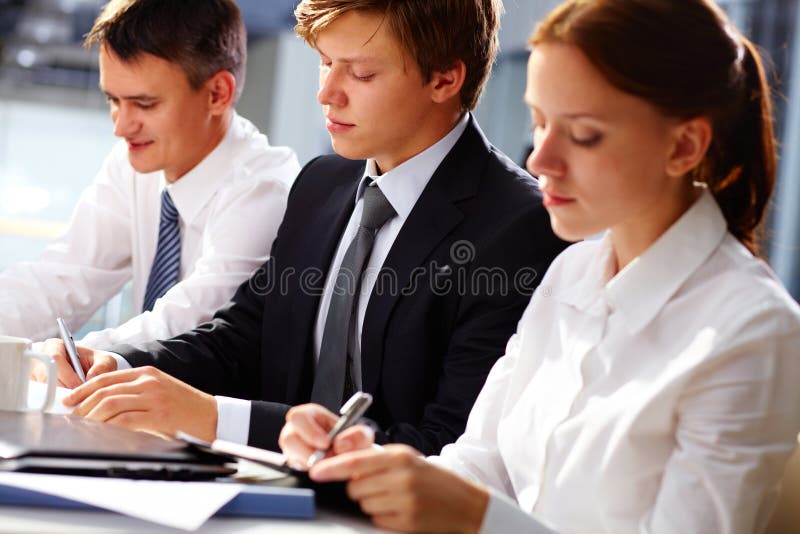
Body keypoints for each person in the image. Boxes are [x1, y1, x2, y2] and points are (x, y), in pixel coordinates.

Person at [278, 0, 800, 532]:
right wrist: (370, 465)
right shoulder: (571, 272)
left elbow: (479, 506)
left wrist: (474, 516)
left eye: (583, 134)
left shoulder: (752, 329)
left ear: (684, 145)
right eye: (539, 121)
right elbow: (481, 464)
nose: (539, 160)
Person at [43, 0, 568, 453]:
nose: (328, 93)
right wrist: (118, 363)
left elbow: (447, 444)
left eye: (360, 74)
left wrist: (216, 419)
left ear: (445, 79)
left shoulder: (518, 226)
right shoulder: (324, 182)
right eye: (323, 64)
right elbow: (244, 335)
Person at [0, 0, 300, 352]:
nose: (121, 127)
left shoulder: (264, 189)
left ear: (218, 94)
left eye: (145, 104)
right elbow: (62, 279)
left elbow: (184, 325)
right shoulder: (132, 163)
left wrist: (63, 358)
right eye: (113, 100)